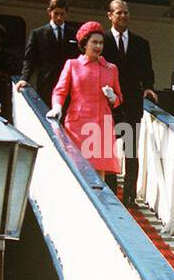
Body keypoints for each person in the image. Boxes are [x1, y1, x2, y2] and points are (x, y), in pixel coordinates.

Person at [47, 22, 123, 187]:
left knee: (99, 171)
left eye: (101, 43)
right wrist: (57, 107)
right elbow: (60, 91)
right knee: (77, 168)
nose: (98, 46)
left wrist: (112, 97)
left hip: (102, 126)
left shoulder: (111, 69)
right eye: (94, 42)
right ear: (84, 43)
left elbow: (119, 100)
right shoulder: (72, 65)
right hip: (77, 125)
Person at [100, 0, 157, 200]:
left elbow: (147, 72)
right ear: (110, 15)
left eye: (126, 12)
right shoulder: (102, 41)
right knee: (109, 150)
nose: (123, 16)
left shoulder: (141, 44)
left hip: (132, 104)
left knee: (131, 151)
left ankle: (130, 196)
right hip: (108, 104)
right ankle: (112, 192)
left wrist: (149, 88)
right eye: (119, 13)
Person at [17, 0, 79, 100]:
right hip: (46, 83)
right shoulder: (38, 34)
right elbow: (30, 59)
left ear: (66, 13)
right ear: (49, 12)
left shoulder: (74, 34)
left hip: (68, 84)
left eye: (62, 14)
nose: (59, 17)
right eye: (56, 14)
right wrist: (24, 78)